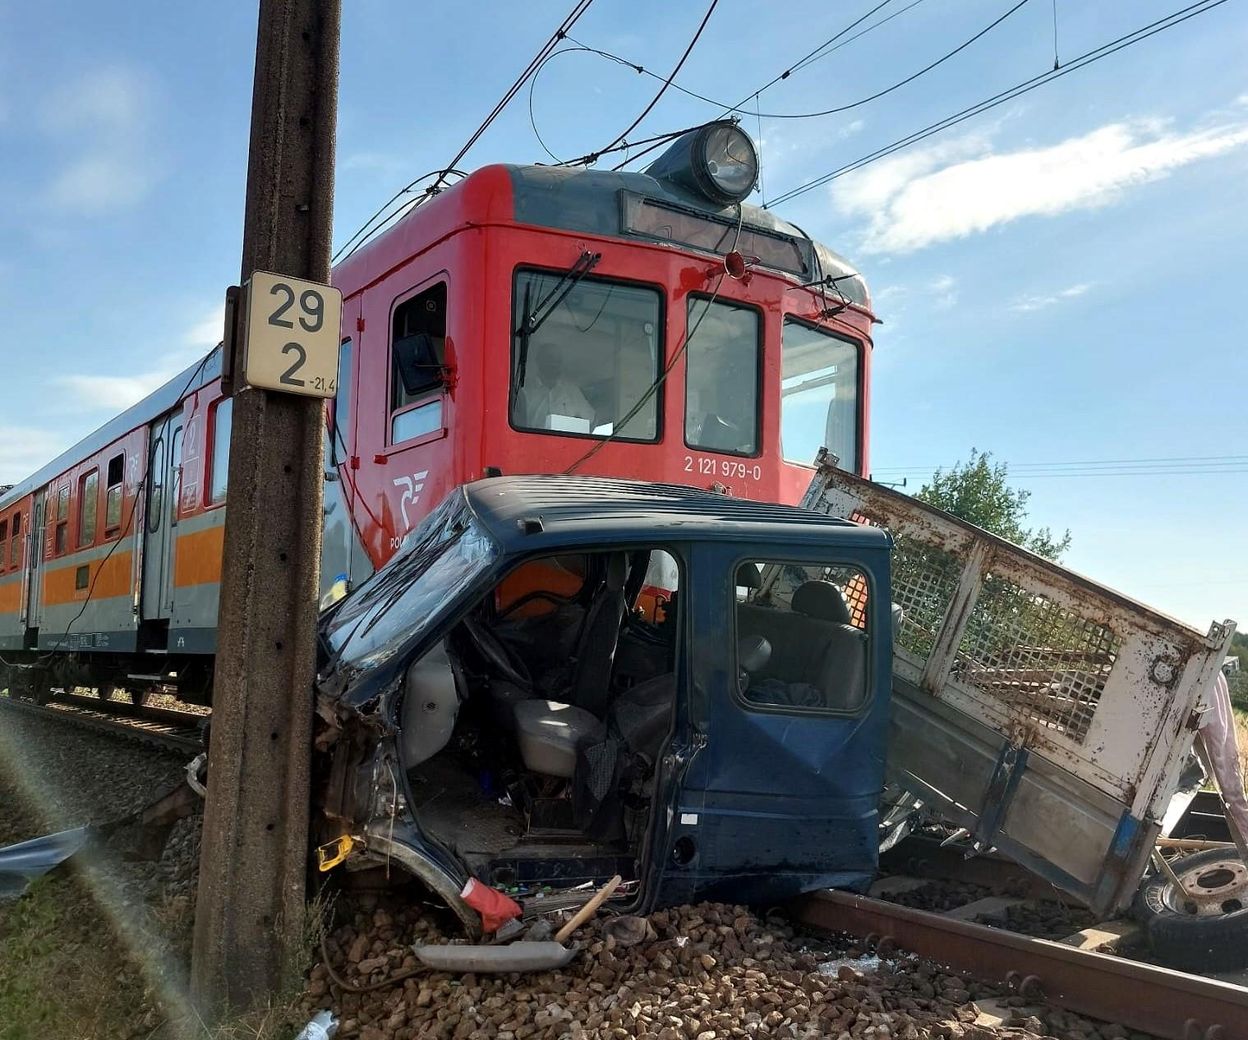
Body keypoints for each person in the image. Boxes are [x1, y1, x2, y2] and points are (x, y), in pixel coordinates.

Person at [515, 341, 595, 431]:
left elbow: (591, 421)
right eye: (550, 358)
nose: (554, 363)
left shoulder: (573, 392)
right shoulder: (523, 390)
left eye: (558, 360)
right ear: (538, 360)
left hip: (566, 444)